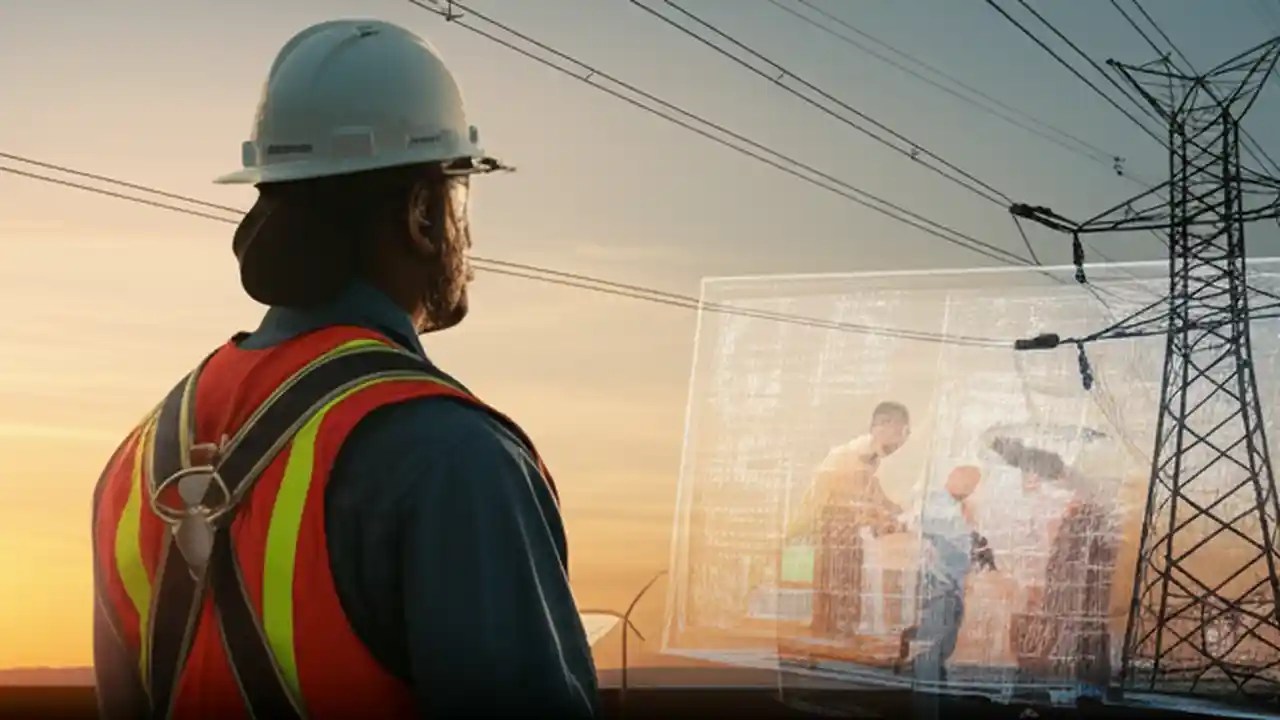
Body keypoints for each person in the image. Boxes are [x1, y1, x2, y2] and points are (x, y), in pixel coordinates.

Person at [90, 20, 598, 719]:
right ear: (423, 214)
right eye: (459, 194)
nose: (466, 231)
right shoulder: (453, 461)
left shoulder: (138, 467)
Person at [795, 401, 912, 638]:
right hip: (836, 530)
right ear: (883, 426)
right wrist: (884, 516)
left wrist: (893, 513)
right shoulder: (850, 456)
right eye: (901, 432)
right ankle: (835, 632)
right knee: (838, 583)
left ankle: (838, 630)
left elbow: (876, 496)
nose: (902, 441)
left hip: (847, 531)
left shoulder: (871, 458)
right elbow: (849, 497)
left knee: (846, 584)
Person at [910, 464, 987, 684]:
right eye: (968, 481)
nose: (971, 488)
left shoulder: (958, 506)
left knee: (947, 640)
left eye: (974, 484)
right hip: (938, 583)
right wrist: (973, 537)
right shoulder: (936, 502)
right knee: (932, 642)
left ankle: (934, 682)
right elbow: (947, 534)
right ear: (953, 477)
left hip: (954, 584)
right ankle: (927, 691)